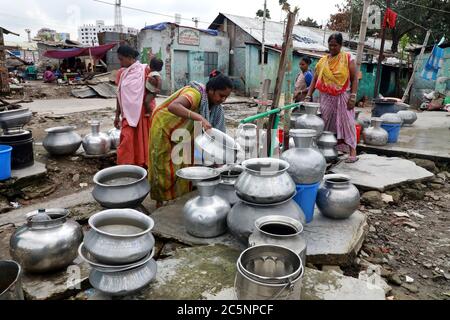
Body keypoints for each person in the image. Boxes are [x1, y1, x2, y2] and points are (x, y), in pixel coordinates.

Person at [148, 70, 233, 207]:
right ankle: (160, 200)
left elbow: (217, 134)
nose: (223, 100)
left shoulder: (216, 108)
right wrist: (200, 117)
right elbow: (173, 106)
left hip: (182, 133)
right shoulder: (195, 93)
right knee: (164, 166)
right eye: (221, 95)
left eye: (226, 97)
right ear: (211, 90)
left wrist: (220, 158)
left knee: (183, 163)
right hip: (164, 127)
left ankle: (178, 197)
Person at [306, 33, 359, 163]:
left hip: (343, 97)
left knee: (347, 123)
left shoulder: (347, 58)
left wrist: (353, 97)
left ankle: (352, 151)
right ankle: (327, 149)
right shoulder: (323, 61)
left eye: (335, 45)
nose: (332, 48)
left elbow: (354, 78)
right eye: (330, 45)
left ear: (340, 45)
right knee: (325, 124)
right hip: (325, 97)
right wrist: (308, 95)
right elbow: (315, 79)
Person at [114, 45, 151, 168]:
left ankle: (143, 166)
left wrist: (148, 107)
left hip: (142, 113)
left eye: (121, 59)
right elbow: (119, 94)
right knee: (127, 139)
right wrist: (117, 115)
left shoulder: (144, 70)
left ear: (130, 58)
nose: (120, 62)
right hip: (127, 114)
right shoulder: (121, 73)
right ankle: (126, 167)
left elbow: (153, 91)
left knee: (143, 140)